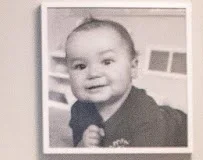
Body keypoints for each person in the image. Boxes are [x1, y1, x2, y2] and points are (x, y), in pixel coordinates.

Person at [63, 17, 187, 149]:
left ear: (133, 68)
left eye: (107, 62)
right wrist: (82, 145)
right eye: (81, 66)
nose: (93, 73)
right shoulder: (79, 110)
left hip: (181, 130)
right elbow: (77, 149)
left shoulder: (146, 116)